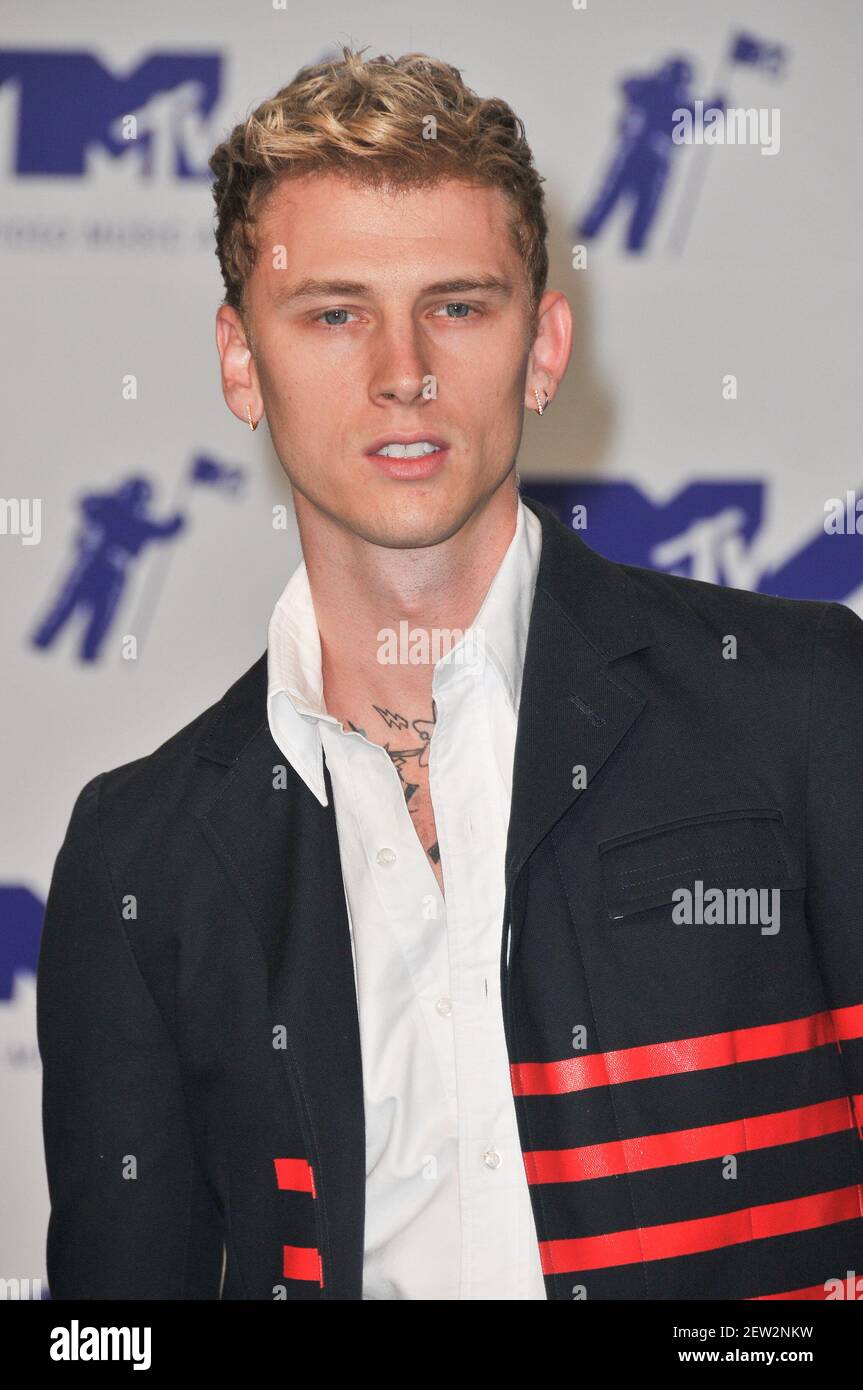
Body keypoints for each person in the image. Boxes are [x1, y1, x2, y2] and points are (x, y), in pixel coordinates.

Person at [37, 47, 863, 1302]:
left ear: (541, 346)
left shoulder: (804, 702)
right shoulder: (136, 852)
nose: (401, 370)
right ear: (238, 361)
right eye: (332, 312)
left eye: (458, 306)